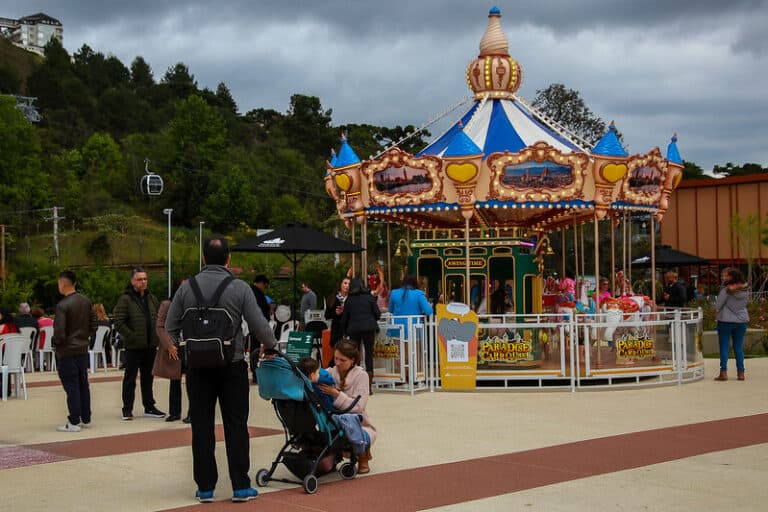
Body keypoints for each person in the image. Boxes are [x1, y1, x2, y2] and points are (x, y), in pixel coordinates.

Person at [165, 237, 277, 503]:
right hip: (231, 364)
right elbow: (259, 325)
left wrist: (187, 344)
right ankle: (240, 486)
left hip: (197, 368)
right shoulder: (239, 288)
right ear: (229, 259)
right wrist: (271, 345)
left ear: (203, 258)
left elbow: (170, 326)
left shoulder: (186, 288)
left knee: (201, 425)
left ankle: (205, 487)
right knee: (236, 425)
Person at [113, 267, 165, 420]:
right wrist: (131, 336)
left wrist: (157, 336)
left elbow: (158, 318)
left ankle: (149, 406)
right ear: (132, 281)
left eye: (145, 279)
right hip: (133, 346)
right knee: (130, 378)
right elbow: (119, 322)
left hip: (150, 345)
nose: (143, 282)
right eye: (140, 279)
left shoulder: (151, 298)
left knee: (148, 378)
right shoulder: (125, 299)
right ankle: (127, 409)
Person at [320, 341, 377, 474]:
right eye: (336, 358)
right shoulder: (329, 373)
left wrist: (336, 394)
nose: (338, 363)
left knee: (350, 422)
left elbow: (358, 407)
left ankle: (363, 454)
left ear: (353, 360)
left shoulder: (362, 376)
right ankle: (331, 456)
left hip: (358, 421)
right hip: (332, 418)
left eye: (342, 360)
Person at [52, 270, 97, 432]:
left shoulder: (62, 305)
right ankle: (86, 417)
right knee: (83, 383)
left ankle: (74, 420)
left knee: (71, 385)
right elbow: (94, 325)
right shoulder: (86, 301)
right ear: (75, 283)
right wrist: (84, 337)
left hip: (66, 350)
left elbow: (59, 332)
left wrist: (55, 343)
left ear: (62, 283)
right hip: (82, 348)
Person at [153, 280, 191, 423]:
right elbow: (160, 326)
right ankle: (174, 412)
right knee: (175, 379)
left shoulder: (193, 303)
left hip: (190, 346)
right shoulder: (167, 305)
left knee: (192, 380)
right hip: (175, 346)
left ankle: (193, 412)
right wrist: (168, 345)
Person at [341, 277, 381, 391]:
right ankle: (369, 386)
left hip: (354, 329)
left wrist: (344, 332)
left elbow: (345, 318)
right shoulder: (369, 297)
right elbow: (377, 314)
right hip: (369, 328)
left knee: (355, 355)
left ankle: (357, 383)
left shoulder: (349, 300)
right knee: (369, 354)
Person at [714, 268, 750, 382]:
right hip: (741, 321)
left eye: (725, 276)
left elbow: (718, 306)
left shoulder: (725, 291)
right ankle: (741, 373)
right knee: (738, 347)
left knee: (724, 347)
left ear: (732, 277)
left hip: (725, 321)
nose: (723, 277)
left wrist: (715, 311)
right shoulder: (746, 291)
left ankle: (723, 372)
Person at [325, 276, 350, 348]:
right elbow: (327, 315)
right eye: (345, 283)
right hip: (337, 331)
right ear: (340, 284)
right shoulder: (333, 298)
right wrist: (336, 313)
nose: (347, 286)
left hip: (349, 331)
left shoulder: (351, 298)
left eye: (349, 284)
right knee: (337, 351)